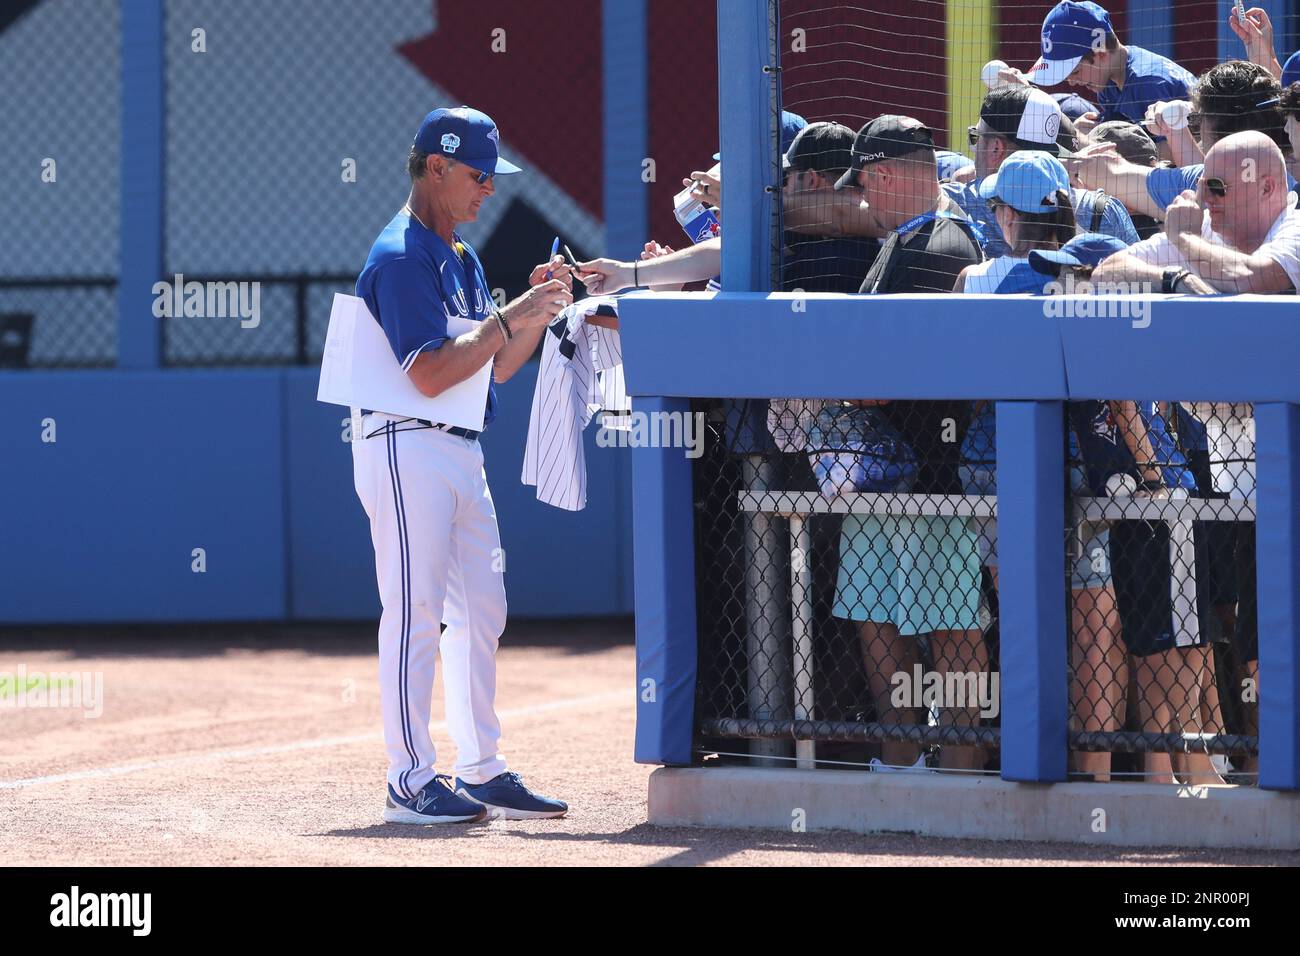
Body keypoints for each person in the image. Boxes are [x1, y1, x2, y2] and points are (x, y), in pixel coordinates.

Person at [353, 106, 573, 825]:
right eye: (479, 176)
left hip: (458, 444)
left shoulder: (465, 257)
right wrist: (513, 315)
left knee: (483, 607)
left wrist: (538, 309)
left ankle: (480, 769)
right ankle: (409, 780)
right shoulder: (399, 255)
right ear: (436, 168)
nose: (489, 190)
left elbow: (497, 368)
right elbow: (427, 373)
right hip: (405, 441)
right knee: (414, 613)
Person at [821, 115, 986, 772]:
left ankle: (962, 768)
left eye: (864, 183)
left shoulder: (944, 242)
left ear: (886, 173)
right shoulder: (900, 239)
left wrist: (843, 381)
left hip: (934, 469)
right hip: (884, 475)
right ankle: (900, 762)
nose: (862, 198)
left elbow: (886, 380)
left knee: (952, 624)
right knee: (876, 613)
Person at [1069, 61, 1289, 221]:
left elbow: (1110, 173)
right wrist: (1176, 129)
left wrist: (1063, 149)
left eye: (1200, 119)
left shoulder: (1207, 182)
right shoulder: (1291, 177)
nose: (1199, 128)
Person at [1092, 130, 1300, 294]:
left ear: (1266, 188)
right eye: (1201, 186)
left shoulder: (1295, 227)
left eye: (1217, 186)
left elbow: (1253, 278)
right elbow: (1106, 272)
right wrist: (1175, 279)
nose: (1205, 198)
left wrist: (1185, 237)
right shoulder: (1203, 227)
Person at [950, 85, 1139, 258]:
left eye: (975, 138)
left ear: (995, 148)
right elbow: (1144, 286)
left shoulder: (955, 204)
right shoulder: (1103, 210)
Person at [1027, 1, 1195, 143]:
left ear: (1101, 54)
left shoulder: (1147, 83)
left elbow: (1172, 156)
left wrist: (1087, 141)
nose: (1070, 81)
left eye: (1075, 71)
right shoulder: (1107, 83)